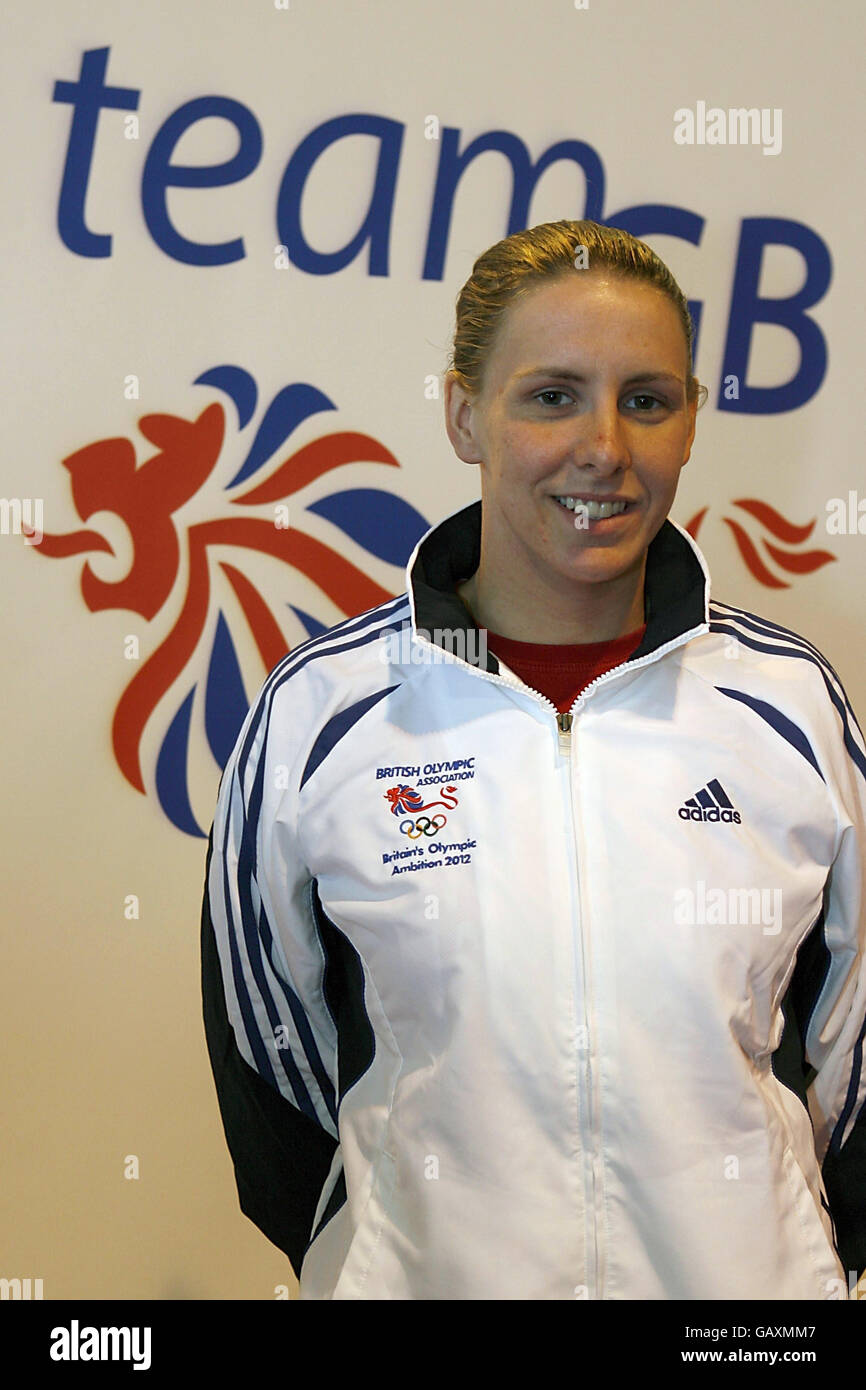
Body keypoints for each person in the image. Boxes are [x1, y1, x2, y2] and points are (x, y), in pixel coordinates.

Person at [200, 219, 866, 1300]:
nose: (602, 445)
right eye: (550, 395)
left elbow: (853, 1050)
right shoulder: (323, 711)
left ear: (689, 420)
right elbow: (271, 1074)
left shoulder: (788, 702)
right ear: (465, 413)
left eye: (644, 399)